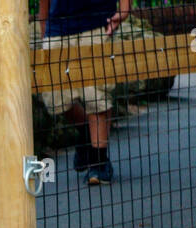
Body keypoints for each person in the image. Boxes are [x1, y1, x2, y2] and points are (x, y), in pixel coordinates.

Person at [37, 0, 133, 186]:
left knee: (96, 95)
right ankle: (86, 134)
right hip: (58, 27)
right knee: (55, 99)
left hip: (96, 22)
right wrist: (45, 27)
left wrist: (124, 9)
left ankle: (99, 161)